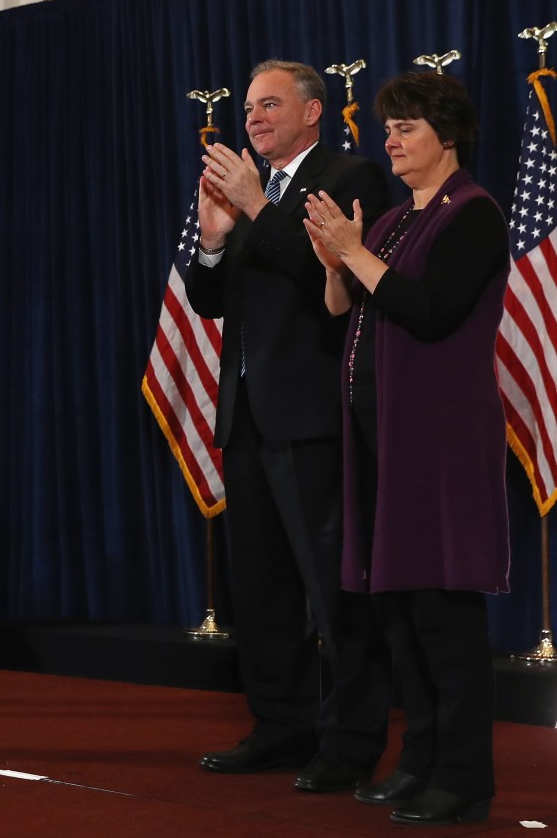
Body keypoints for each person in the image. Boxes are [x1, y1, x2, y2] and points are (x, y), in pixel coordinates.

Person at [303, 71, 509, 826]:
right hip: (376, 435)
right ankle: (419, 756)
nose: (390, 139)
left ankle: (465, 775)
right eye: (388, 127)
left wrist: (354, 255)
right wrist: (334, 264)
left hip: (440, 439)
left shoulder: (474, 215)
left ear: (447, 135)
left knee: (442, 614)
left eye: (407, 127)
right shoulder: (388, 223)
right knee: (397, 612)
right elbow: (342, 315)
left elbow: (428, 312)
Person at [186, 60, 392, 791]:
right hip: (244, 418)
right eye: (248, 107)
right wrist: (213, 239)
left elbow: (332, 275)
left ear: (313, 112)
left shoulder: (351, 176)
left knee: (335, 589)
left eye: (270, 105)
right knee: (264, 592)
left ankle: (353, 739)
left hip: (313, 416)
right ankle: (280, 727)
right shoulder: (250, 194)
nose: (253, 118)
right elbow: (214, 301)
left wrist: (257, 208)